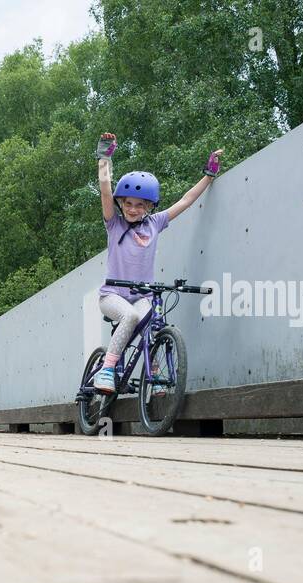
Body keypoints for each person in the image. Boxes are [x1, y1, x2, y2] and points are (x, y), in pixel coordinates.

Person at [91, 132, 223, 394]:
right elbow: (105, 190)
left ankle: (155, 371)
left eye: (140, 205)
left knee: (154, 321)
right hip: (112, 295)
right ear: (121, 204)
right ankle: (106, 369)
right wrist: (104, 159)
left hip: (142, 294)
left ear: (149, 207)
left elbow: (185, 200)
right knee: (129, 316)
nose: (133, 209)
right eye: (128, 203)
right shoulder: (114, 224)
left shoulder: (155, 223)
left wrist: (209, 175)